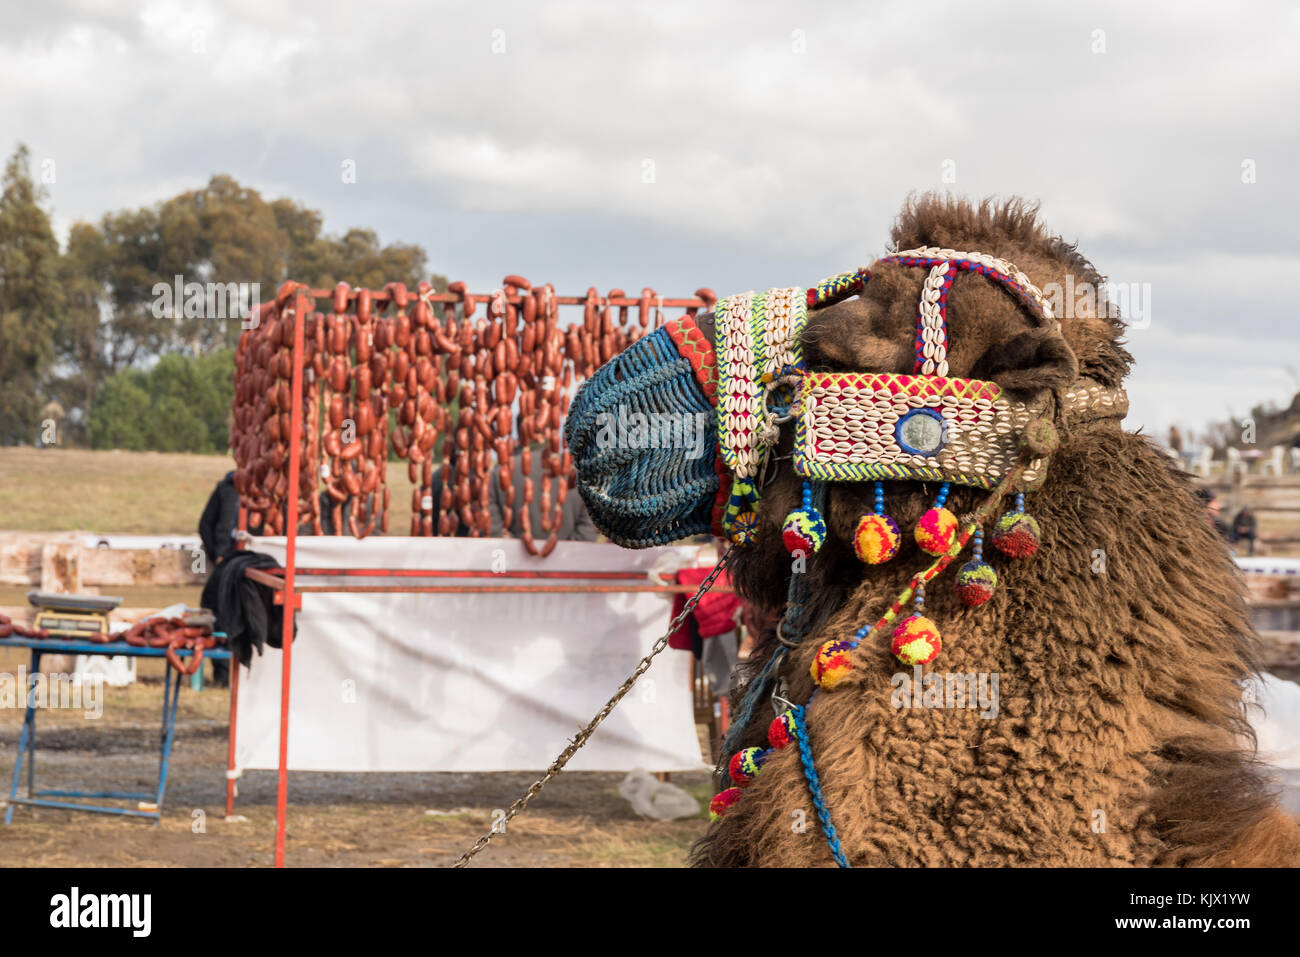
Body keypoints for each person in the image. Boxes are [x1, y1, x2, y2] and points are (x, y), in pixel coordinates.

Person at [489, 451, 598, 541]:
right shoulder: (580, 473)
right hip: (567, 561)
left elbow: (492, 527)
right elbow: (588, 530)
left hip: (512, 562)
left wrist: (512, 551)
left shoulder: (500, 471)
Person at [197, 471, 239, 687]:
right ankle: (224, 675)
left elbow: (205, 524)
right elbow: (205, 525)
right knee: (216, 609)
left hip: (231, 562)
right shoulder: (226, 489)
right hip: (232, 562)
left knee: (215, 610)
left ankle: (223, 675)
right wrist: (218, 554)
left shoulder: (226, 488)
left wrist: (218, 555)